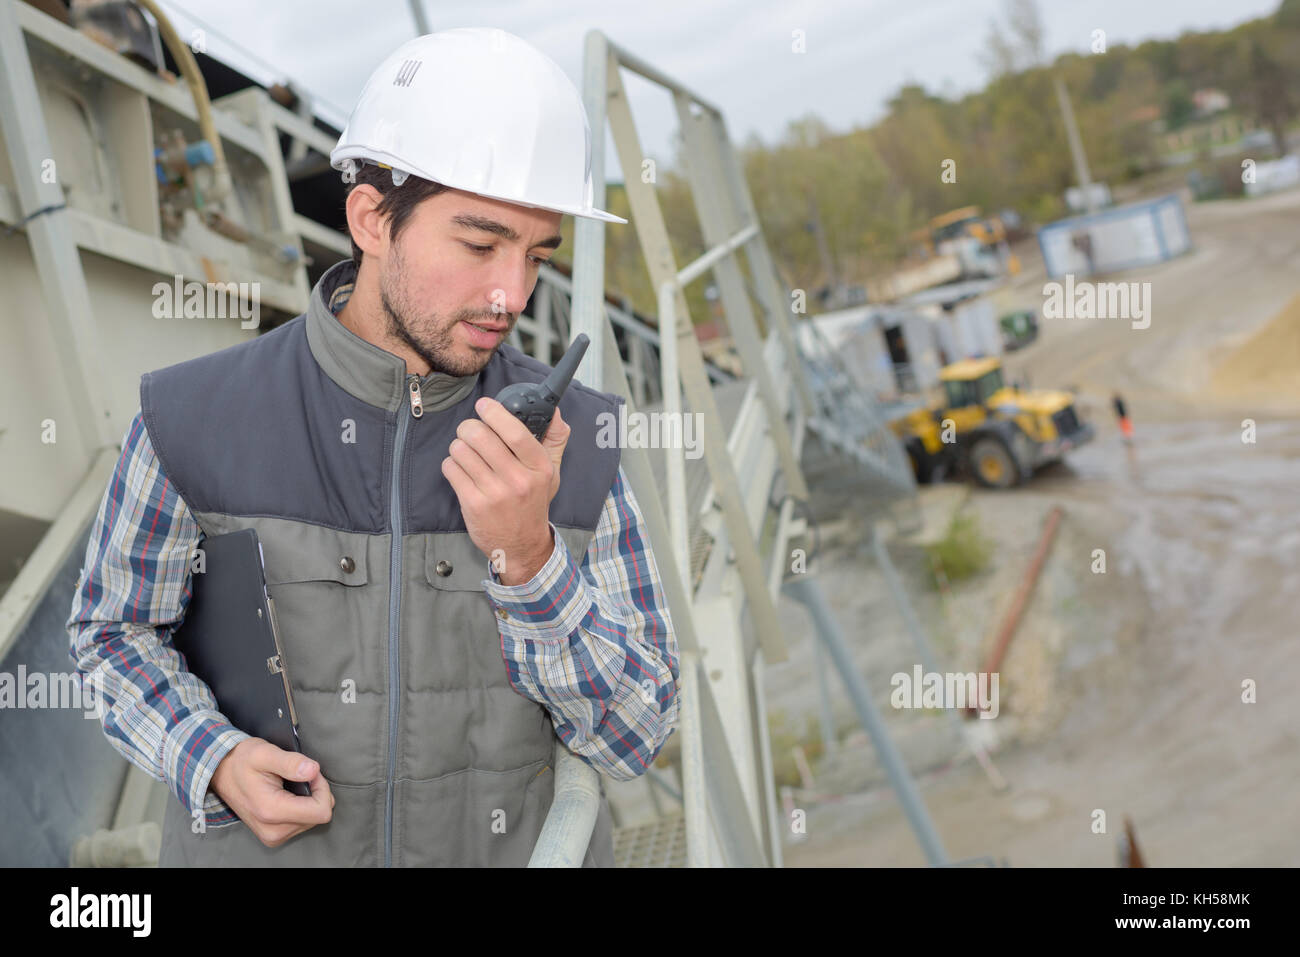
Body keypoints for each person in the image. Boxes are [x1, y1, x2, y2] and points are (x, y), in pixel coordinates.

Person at [66, 28, 678, 867]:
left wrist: (532, 562)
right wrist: (210, 756)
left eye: (536, 255)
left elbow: (633, 736)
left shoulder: (582, 440)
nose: (512, 293)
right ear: (371, 219)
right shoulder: (191, 417)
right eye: (478, 244)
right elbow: (110, 634)